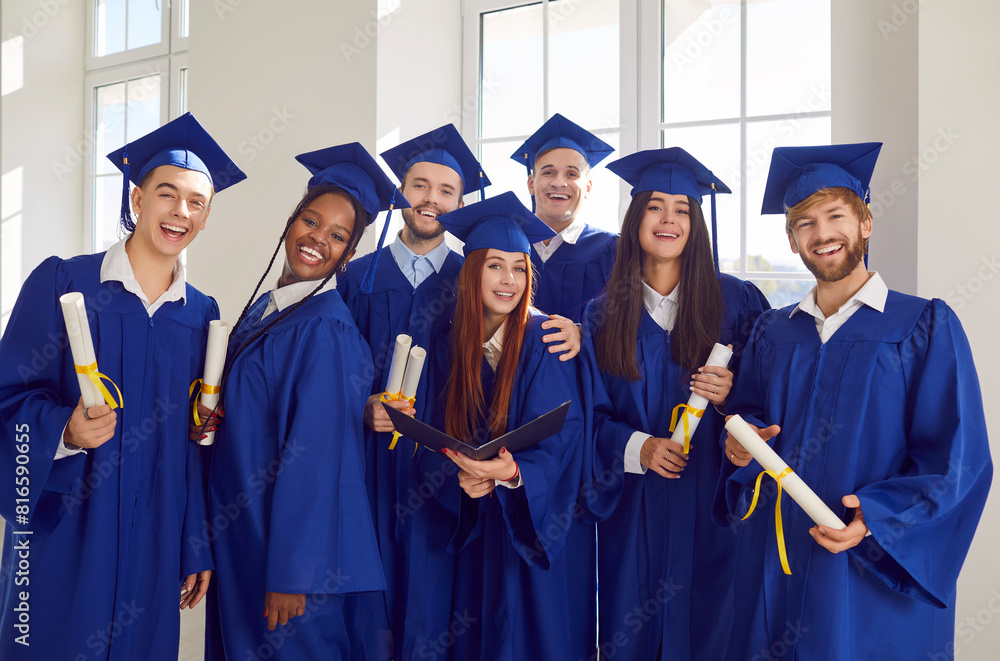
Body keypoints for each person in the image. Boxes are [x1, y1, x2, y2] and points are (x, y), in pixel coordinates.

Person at [717, 143, 992, 660]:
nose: (822, 235)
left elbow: (959, 459)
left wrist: (879, 519)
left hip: (870, 559)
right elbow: (746, 419)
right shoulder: (772, 331)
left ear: (866, 223)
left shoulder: (922, 325)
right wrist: (738, 449)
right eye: (805, 224)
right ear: (793, 240)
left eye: (836, 216)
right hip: (777, 558)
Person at [0, 112, 245, 660]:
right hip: (67, 524)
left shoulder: (202, 315)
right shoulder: (66, 282)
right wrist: (63, 429)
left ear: (205, 218)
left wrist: (196, 541)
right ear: (138, 200)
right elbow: (9, 396)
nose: (180, 211)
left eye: (196, 202)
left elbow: (195, 448)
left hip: (155, 533)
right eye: (167, 194)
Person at [338, 125, 580, 660]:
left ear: (461, 202)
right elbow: (335, 373)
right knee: (368, 607)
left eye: (446, 190)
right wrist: (364, 407)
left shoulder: (467, 276)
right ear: (401, 190)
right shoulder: (355, 279)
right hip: (370, 468)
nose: (432, 199)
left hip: (439, 482)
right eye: (419, 185)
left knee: (439, 604)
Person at [578, 148, 770, 660]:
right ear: (635, 218)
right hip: (635, 508)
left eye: (683, 209)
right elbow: (588, 418)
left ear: (696, 226)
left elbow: (770, 397)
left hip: (714, 499)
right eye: (655, 207)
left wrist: (732, 398)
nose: (669, 220)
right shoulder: (600, 317)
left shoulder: (737, 302)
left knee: (716, 630)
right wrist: (638, 448)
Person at [203, 143, 389, 660]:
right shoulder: (272, 307)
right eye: (310, 220)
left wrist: (294, 572)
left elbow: (320, 457)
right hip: (249, 537)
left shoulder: (325, 328)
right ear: (291, 222)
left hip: (286, 563)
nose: (317, 240)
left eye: (337, 236)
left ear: (349, 255)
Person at [416, 192, 595, 661]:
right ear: (472, 270)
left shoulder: (545, 337)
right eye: (495, 266)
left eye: (519, 268)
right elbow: (431, 436)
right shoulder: (448, 344)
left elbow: (566, 431)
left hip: (536, 524)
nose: (509, 280)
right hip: (481, 524)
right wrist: (457, 478)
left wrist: (515, 474)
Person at [511, 113, 617, 323]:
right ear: (531, 184)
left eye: (571, 174)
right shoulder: (508, 244)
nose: (559, 182)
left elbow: (621, 325)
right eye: (548, 172)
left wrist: (582, 334)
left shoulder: (610, 249)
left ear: (587, 187)